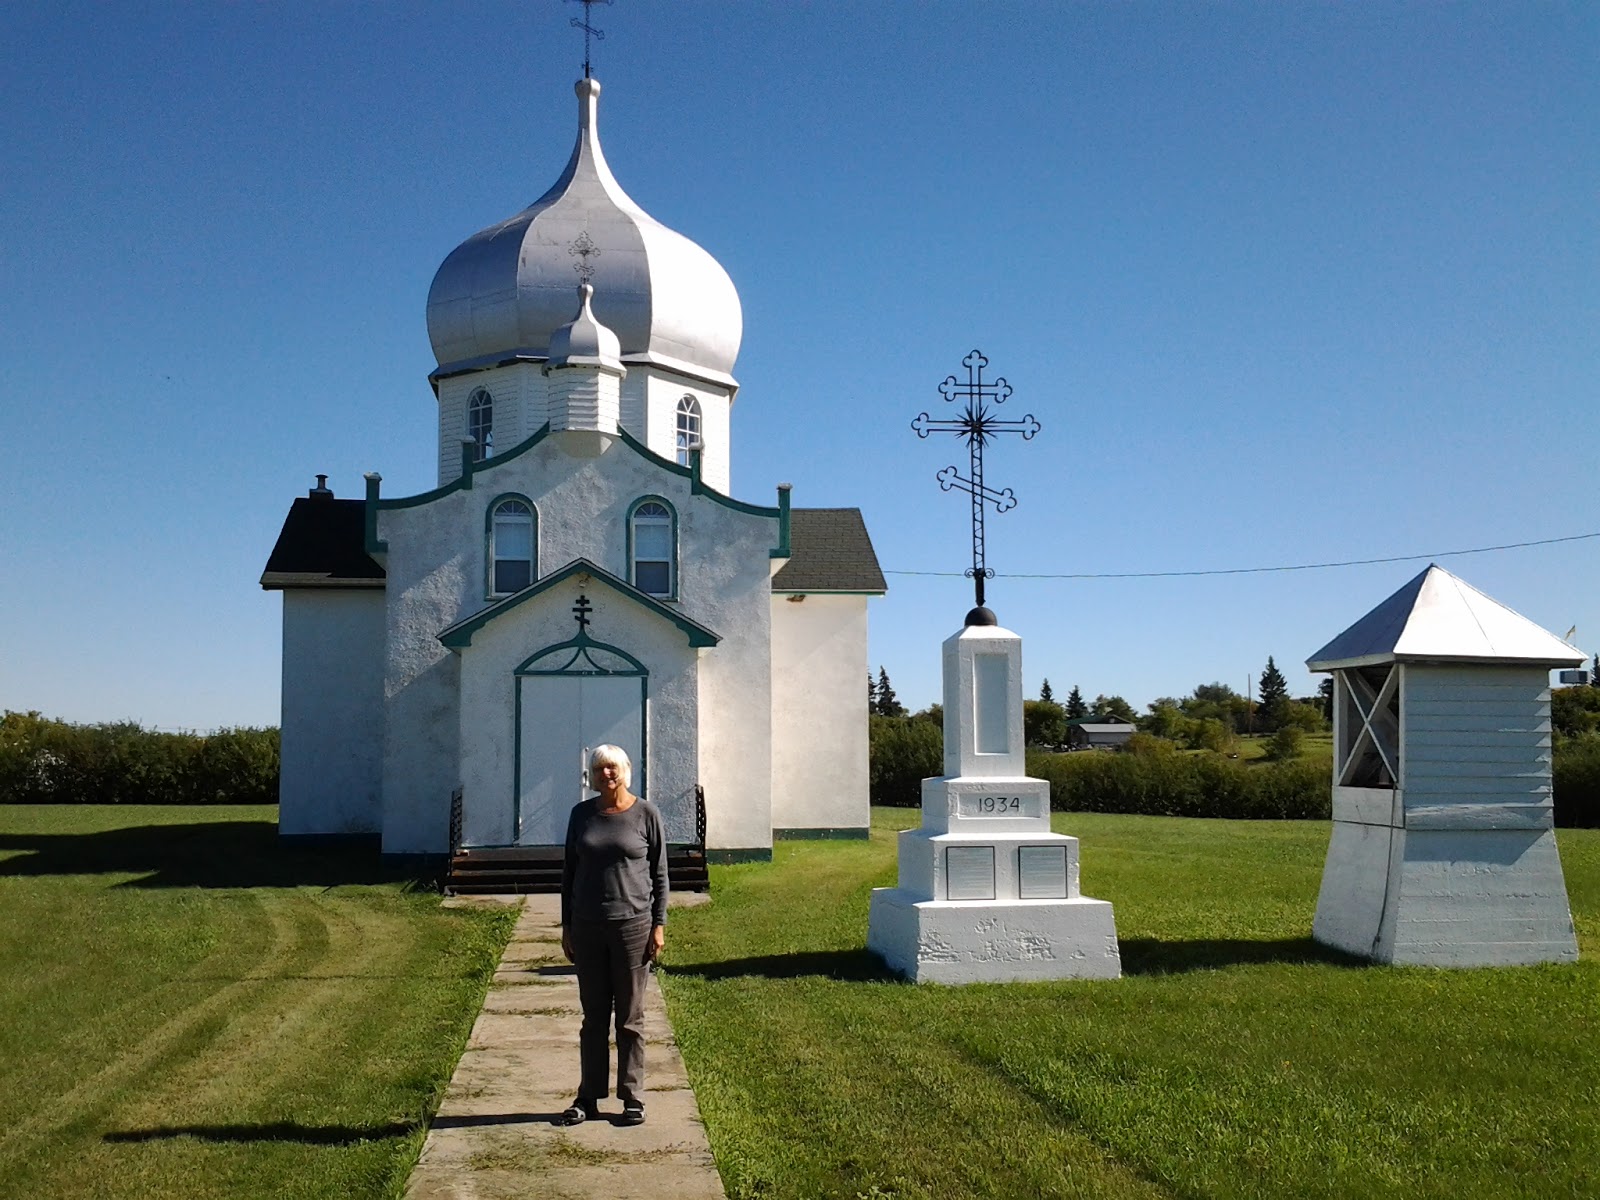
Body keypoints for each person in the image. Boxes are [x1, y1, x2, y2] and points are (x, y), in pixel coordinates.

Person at [559, 744, 668, 1126]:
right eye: (599, 769)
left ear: (625, 770)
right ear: (591, 775)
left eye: (613, 768)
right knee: (593, 1019)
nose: (606, 774)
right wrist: (567, 925)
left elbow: (659, 875)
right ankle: (588, 1096)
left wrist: (659, 925)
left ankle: (632, 1096)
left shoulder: (646, 814)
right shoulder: (581, 815)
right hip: (588, 927)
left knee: (630, 1018)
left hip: (633, 928)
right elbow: (569, 873)